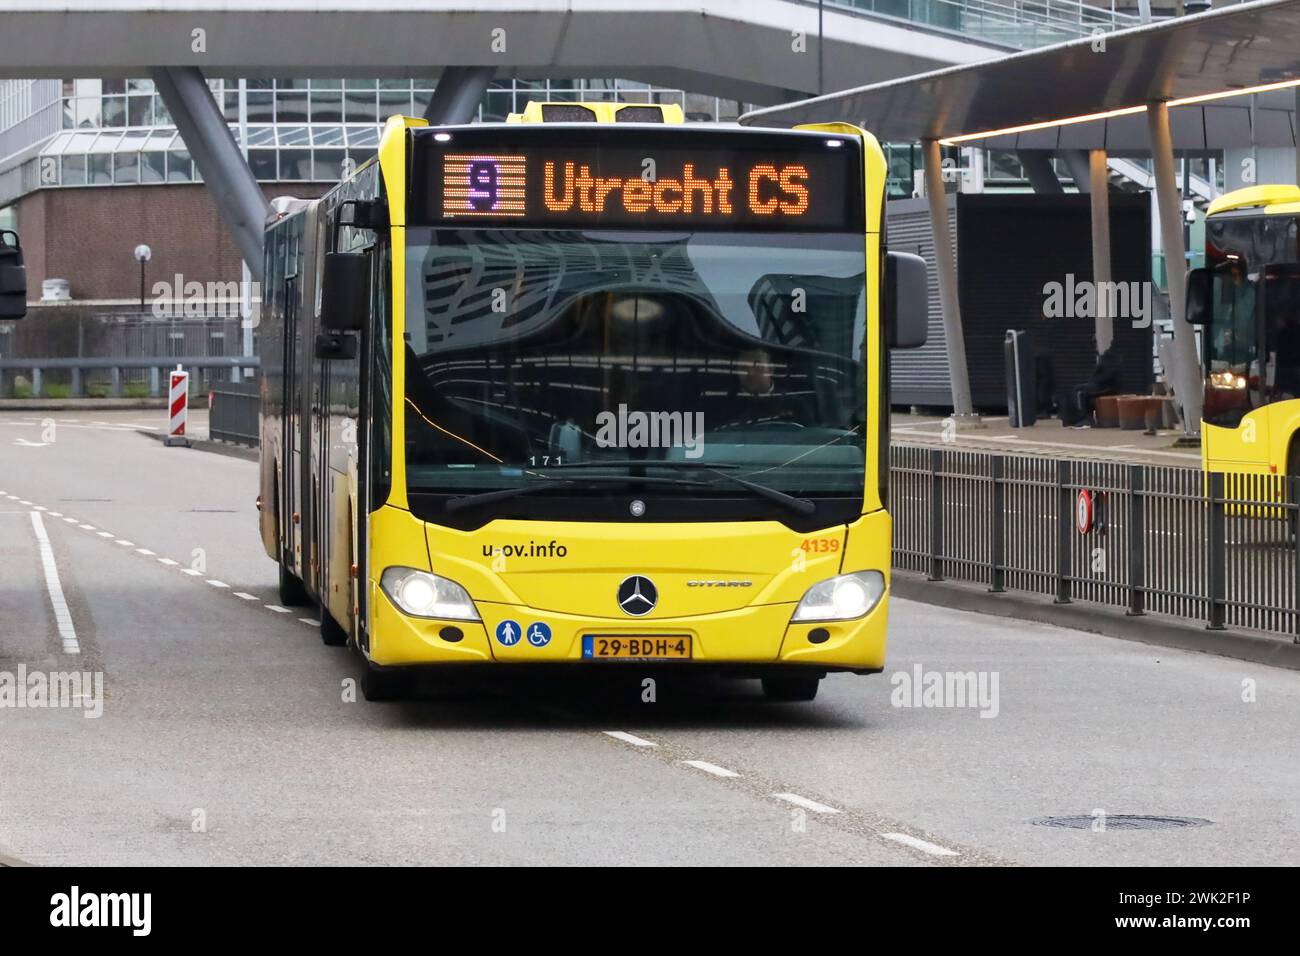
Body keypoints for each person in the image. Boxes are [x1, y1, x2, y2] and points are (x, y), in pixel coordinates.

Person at [1064, 341, 1122, 428]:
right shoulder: (1107, 358)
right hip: (1101, 384)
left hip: (1106, 386)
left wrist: (1093, 382)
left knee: (1079, 391)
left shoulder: (1110, 358)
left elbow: (1107, 376)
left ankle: (1084, 419)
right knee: (1078, 390)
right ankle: (1076, 419)